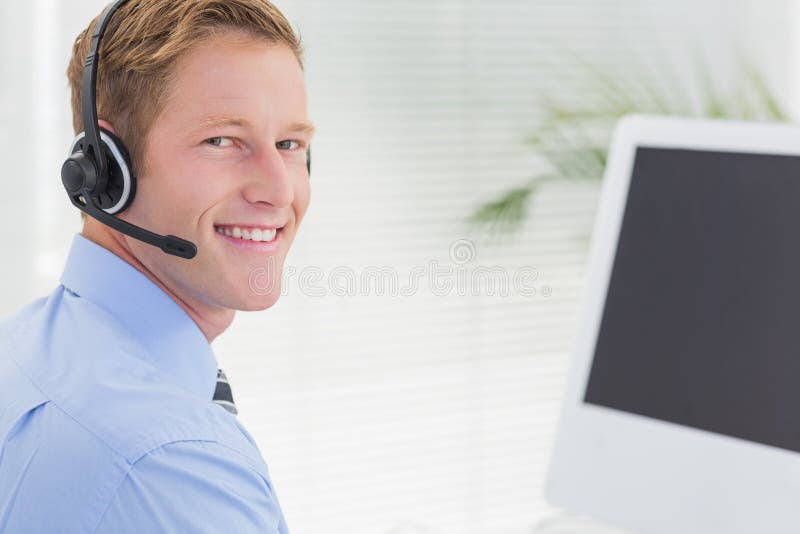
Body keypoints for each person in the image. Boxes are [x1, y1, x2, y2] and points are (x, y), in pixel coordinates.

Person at [0, 0, 315, 531]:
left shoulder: (21, 349)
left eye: (289, 144)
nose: (279, 191)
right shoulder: (172, 463)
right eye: (221, 140)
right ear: (105, 169)